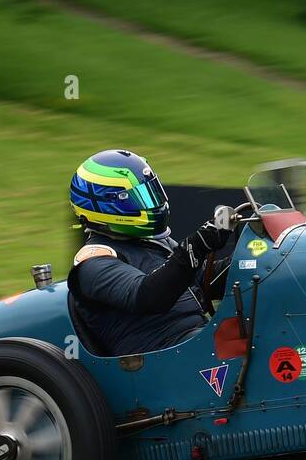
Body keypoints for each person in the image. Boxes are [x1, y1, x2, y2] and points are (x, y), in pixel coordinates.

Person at [66, 149, 232, 355]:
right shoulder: (93, 262)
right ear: (108, 205)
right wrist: (195, 247)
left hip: (197, 341)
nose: (152, 203)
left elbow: (206, 281)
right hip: (162, 357)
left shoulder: (152, 242)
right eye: (135, 198)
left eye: (150, 193)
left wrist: (252, 253)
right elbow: (149, 296)